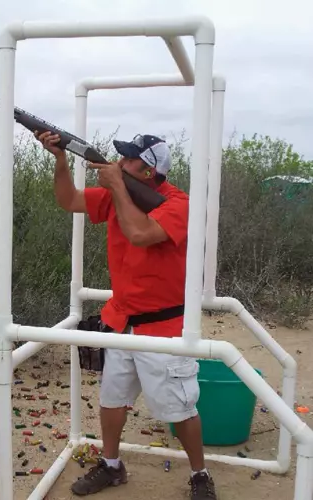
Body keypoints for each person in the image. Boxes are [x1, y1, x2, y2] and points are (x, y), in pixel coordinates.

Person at [34, 130, 218, 500]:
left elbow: (140, 233)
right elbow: (68, 199)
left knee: (180, 408)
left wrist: (117, 185)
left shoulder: (179, 204)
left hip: (163, 327)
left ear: (148, 171)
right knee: (111, 400)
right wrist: (58, 159)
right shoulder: (122, 190)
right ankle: (112, 465)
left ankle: (200, 474)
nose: (119, 162)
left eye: (129, 159)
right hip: (121, 319)